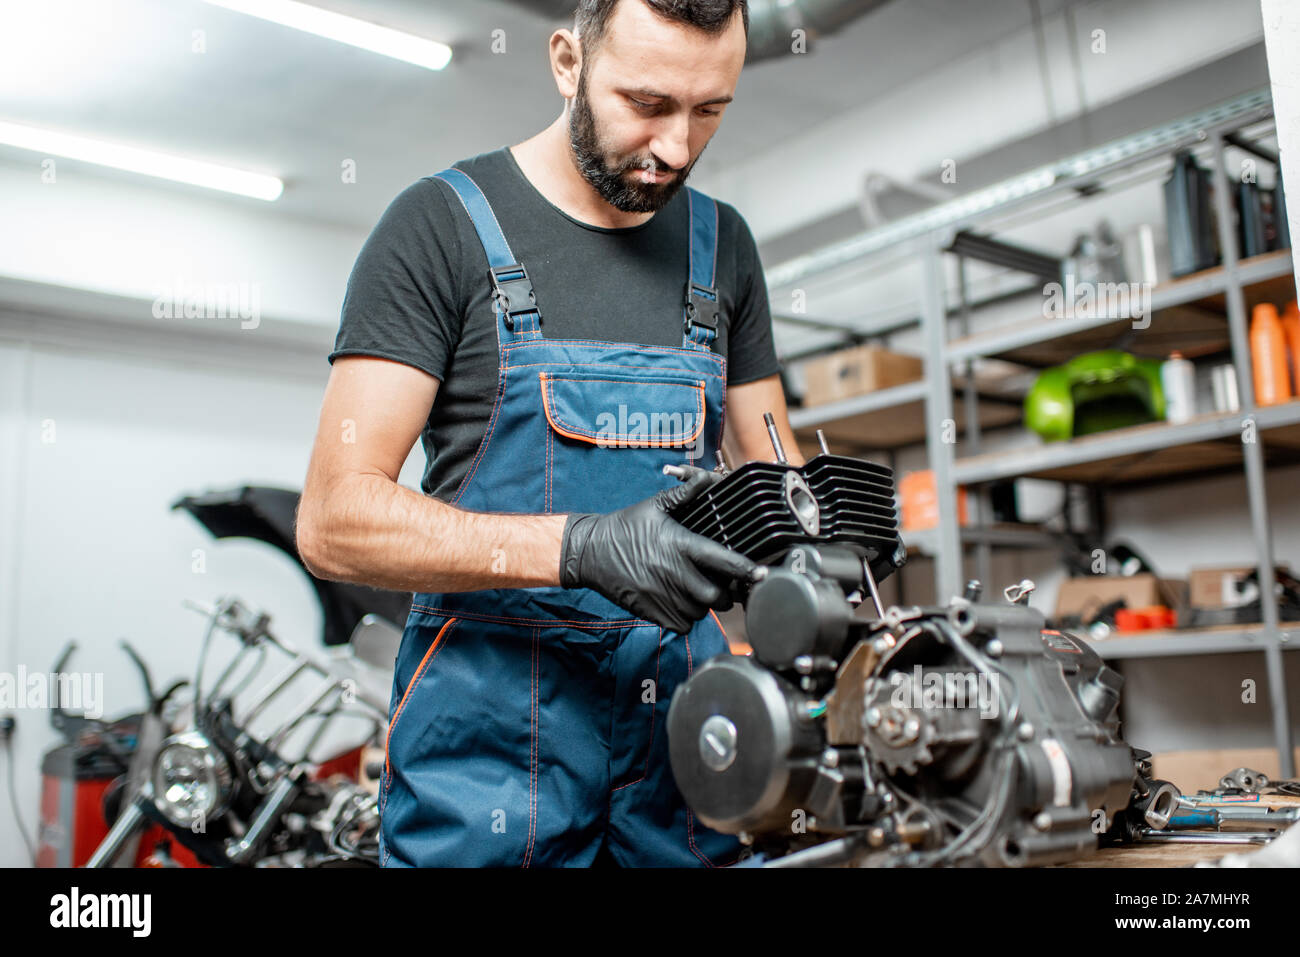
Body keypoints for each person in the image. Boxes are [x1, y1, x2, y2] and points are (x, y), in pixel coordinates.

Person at [296, 0, 804, 867]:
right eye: (646, 103)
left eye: (709, 109)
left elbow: (781, 496)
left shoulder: (725, 251)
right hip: (485, 763)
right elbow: (335, 520)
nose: (676, 147)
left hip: (686, 760)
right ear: (568, 61)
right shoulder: (437, 228)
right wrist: (582, 548)